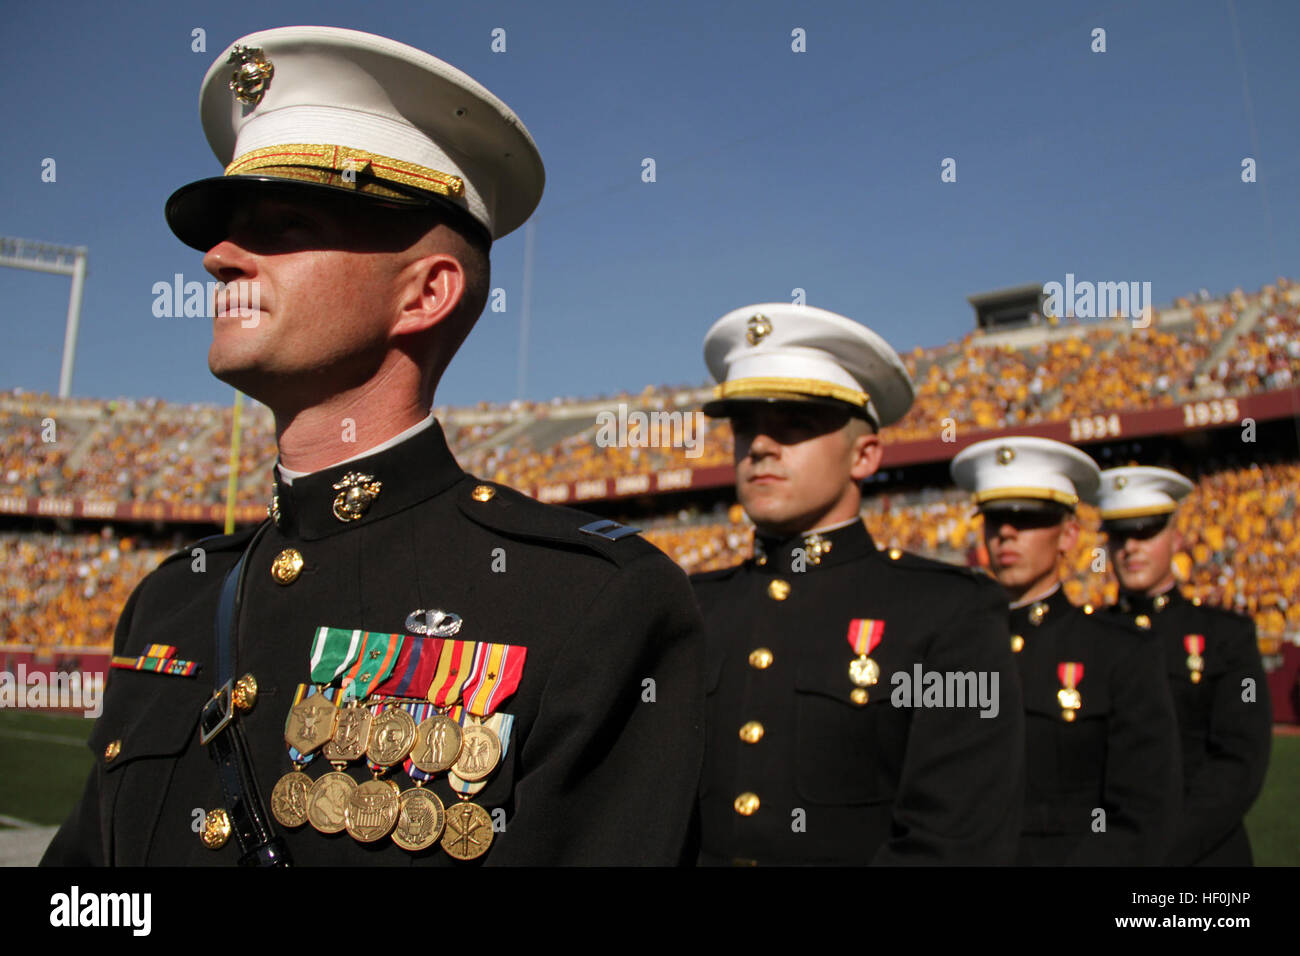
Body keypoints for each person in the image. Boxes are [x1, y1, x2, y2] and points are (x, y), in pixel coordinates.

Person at [41, 26, 703, 866]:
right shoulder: (173, 600)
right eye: (228, 231)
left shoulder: (589, 605)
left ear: (426, 293)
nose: (216, 258)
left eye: (285, 223)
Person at [692, 303, 1025, 865]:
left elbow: (953, 843)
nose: (760, 446)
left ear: (865, 455)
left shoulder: (948, 611)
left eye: (794, 424)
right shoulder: (690, 606)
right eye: (744, 424)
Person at [950, 437, 1181, 865]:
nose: (1006, 532)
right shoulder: (951, 647)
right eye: (995, 518)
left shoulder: (1119, 652)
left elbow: (1143, 814)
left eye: (1028, 518)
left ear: (1068, 535)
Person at [1096, 465, 1272, 865]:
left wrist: (1158, 849)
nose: (1131, 547)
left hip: (1202, 856)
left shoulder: (1226, 636)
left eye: (1146, 532)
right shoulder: (1091, 635)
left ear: (1176, 539)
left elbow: (1238, 763)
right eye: (1120, 535)